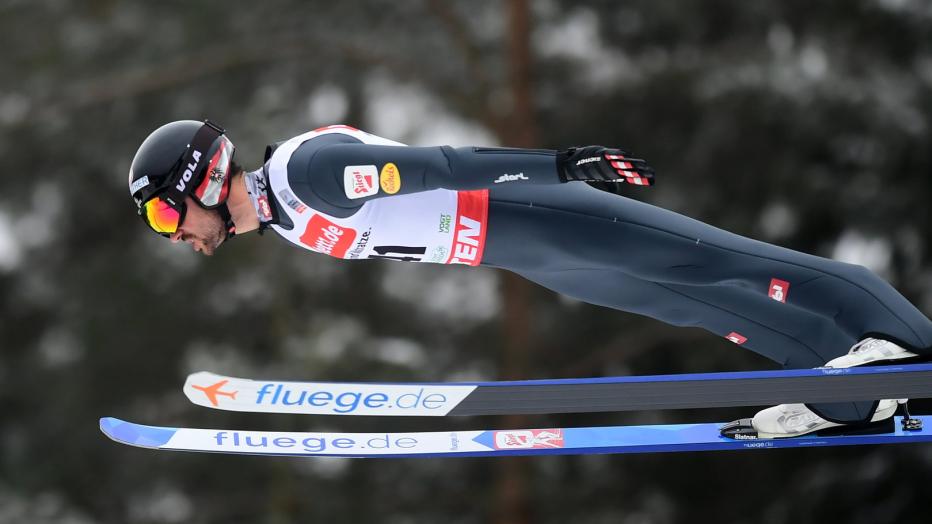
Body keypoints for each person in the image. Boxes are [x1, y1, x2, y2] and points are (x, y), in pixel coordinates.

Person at [127, 119, 932, 439]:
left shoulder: (309, 174)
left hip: (542, 215)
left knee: (725, 260)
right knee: (691, 302)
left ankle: (908, 346)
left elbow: (436, 167)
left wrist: (557, 166)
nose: (178, 238)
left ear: (203, 179)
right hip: (522, 253)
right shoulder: (284, 216)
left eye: (168, 218)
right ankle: (854, 392)